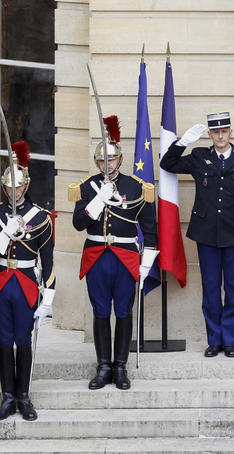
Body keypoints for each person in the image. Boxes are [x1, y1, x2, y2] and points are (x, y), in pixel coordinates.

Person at [161, 112, 234, 358]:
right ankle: (214, 340)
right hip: (206, 233)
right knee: (210, 287)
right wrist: (182, 142)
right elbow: (168, 164)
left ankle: (230, 340)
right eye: (215, 132)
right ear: (209, 134)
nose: (220, 135)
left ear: (230, 132)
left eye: (224, 131)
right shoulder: (199, 157)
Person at [69, 116, 158, 391]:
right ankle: (103, 366)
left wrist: (147, 263)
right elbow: (78, 224)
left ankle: (120, 367)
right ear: (97, 162)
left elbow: (150, 229)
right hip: (97, 254)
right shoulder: (86, 187)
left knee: (122, 311)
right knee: (99, 311)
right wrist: (97, 199)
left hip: (125, 256)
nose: (106, 165)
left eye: (111, 160)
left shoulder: (135, 186)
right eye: (101, 161)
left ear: (119, 160)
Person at [0, 140, 55, 422]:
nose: (14, 191)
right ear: (4, 187)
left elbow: (47, 261)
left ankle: (23, 395)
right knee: (4, 339)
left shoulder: (41, 218)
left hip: (25, 280)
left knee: (23, 340)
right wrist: (4, 234)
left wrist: (48, 297)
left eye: (19, 186)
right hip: (1, 280)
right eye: (10, 187)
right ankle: (7, 396)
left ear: (26, 186)